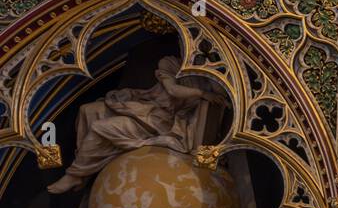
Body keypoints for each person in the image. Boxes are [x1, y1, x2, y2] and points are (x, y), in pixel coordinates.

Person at [47, 56, 223, 194]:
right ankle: (85, 171)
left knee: (100, 127)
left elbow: (221, 98)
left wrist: (208, 86)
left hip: (158, 121)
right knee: (88, 110)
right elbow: (172, 90)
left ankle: (75, 174)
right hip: (144, 105)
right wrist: (202, 93)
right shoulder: (170, 62)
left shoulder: (211, 81)